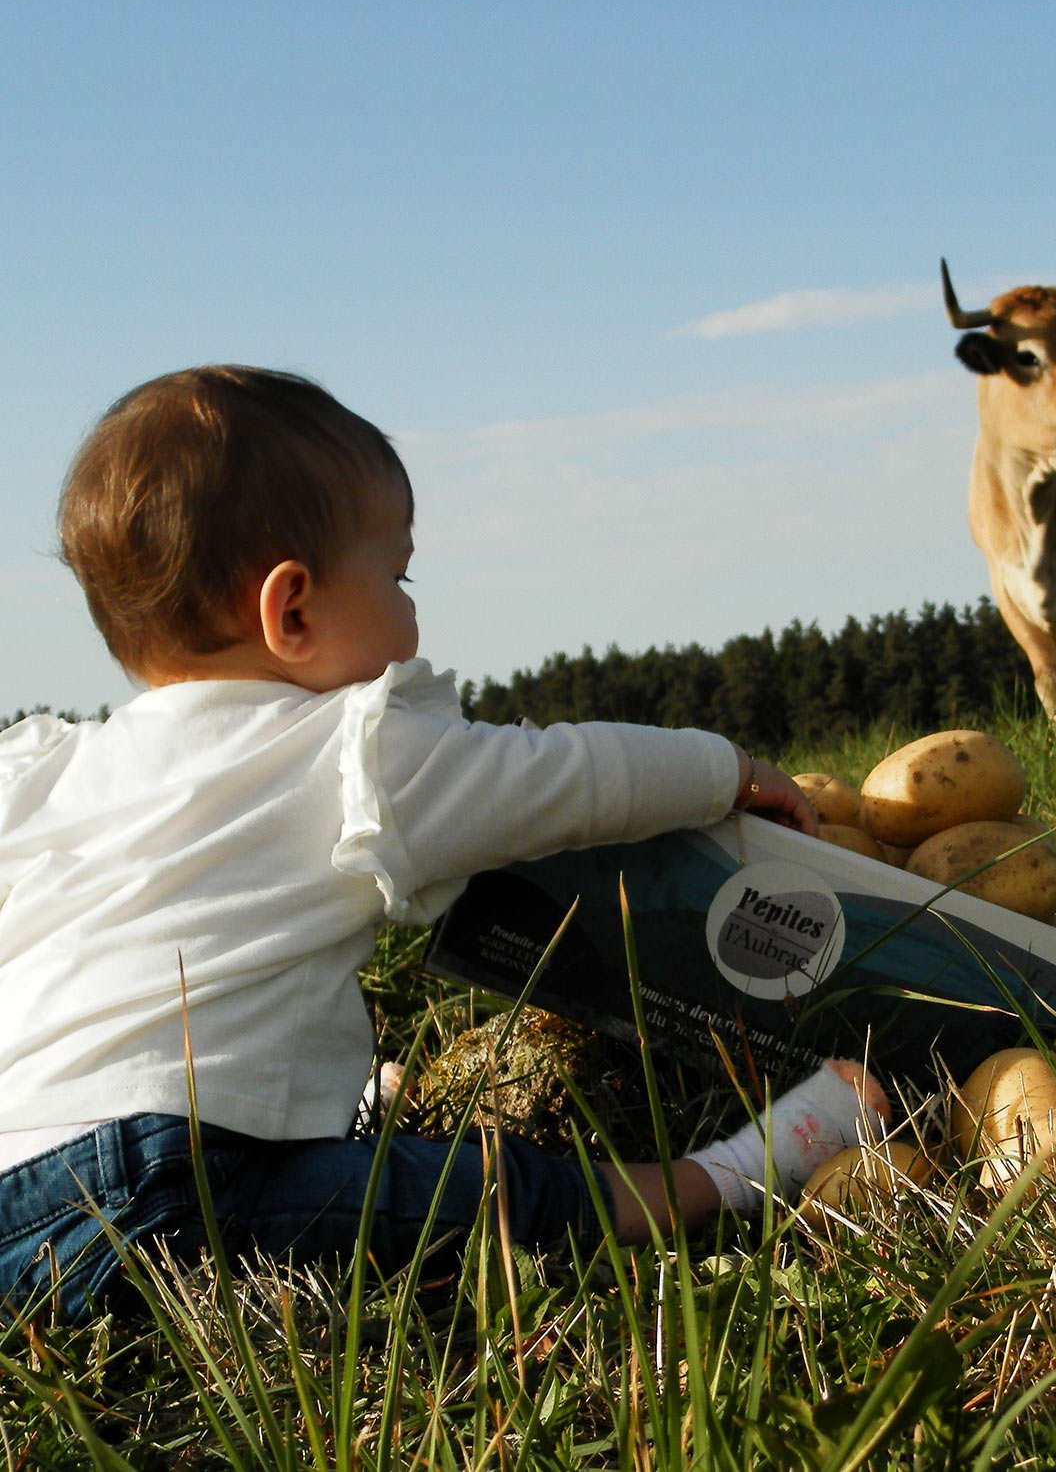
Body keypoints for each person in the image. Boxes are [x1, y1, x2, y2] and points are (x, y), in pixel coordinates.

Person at [0, 366, 886, 1326]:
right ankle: (716, 1181)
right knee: (493, 1197)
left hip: (12, 1192)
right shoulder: (356, 751)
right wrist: (728, 768)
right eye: (397, 574)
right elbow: (569, 777)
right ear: (291, 611)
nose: (413, 611)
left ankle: (321, 1124)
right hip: (175, 1197)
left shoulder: (50, 774)